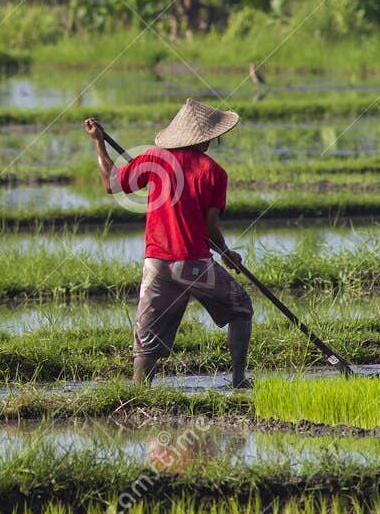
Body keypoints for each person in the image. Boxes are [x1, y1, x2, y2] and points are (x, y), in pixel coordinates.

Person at [84, 99, 253, 389]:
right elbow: (211, 228)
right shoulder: (214, 173)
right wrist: (226, 253)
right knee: (240, 307)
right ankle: (238, 380)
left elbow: (111, 183)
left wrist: (98, 143)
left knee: (146, 335)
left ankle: (139, 390)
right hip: (194, 263)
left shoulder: (154, 159)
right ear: (207, 139)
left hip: (157, 263)